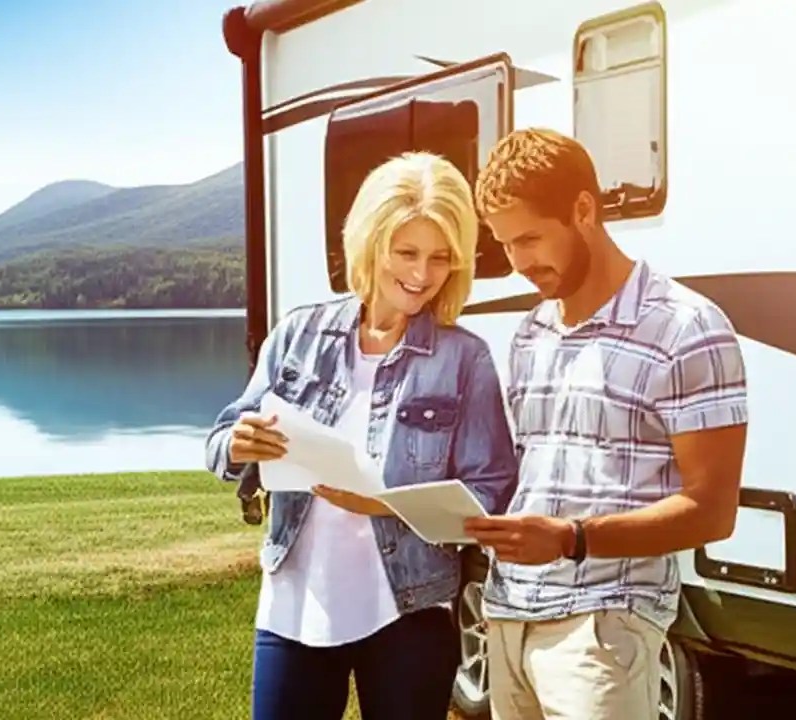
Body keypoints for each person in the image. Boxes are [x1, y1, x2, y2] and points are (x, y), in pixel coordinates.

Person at [204, 150, 518, 720]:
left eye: (440, 257)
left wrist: (384, 504)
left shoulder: (465, 359)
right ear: (371, 242)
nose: (422, 274)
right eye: (407, 252)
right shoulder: (299, 334)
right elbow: (221, 439)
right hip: (295, 608)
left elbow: (491, 494)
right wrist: (236, 445)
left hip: (409, 613)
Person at [462, 128, 749, 720]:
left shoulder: (687, 329)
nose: (519, 263)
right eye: (505, 244)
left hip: (604, 625)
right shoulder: (531, 333)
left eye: (530, 238)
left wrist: (573, 539)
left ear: (583, 210)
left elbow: (713, 511)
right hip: (508, 616)